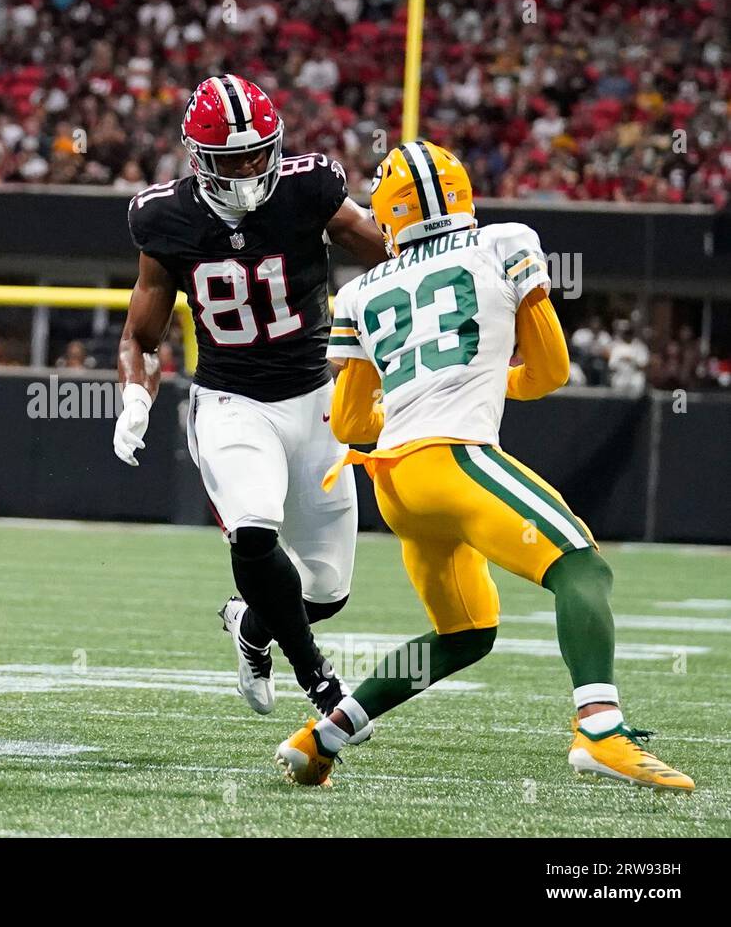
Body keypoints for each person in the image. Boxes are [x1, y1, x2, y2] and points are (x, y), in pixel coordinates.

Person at [277, 140, 692, 791]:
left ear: (390, 213)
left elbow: (352, 424)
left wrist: (415, 402)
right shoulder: (504, 242)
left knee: (466, 632)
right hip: (454, 461)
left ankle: (323, 734)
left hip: (398, 483)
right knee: (581, 566)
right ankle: (600, 726)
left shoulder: (360, 292)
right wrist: (486, 379)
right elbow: (551, 371)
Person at [115, 74, 388, 728]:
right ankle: (319, 683)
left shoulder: (309, 189)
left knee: (326, 589)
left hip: (316, 401)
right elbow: (142, 337)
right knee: (256, 528)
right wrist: (133, 396)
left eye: (257, 153)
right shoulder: (165, 217)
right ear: (196, 158)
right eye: (230, 158)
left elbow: (385, 252)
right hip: (232, 402)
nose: (246, 168)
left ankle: (251, 627)